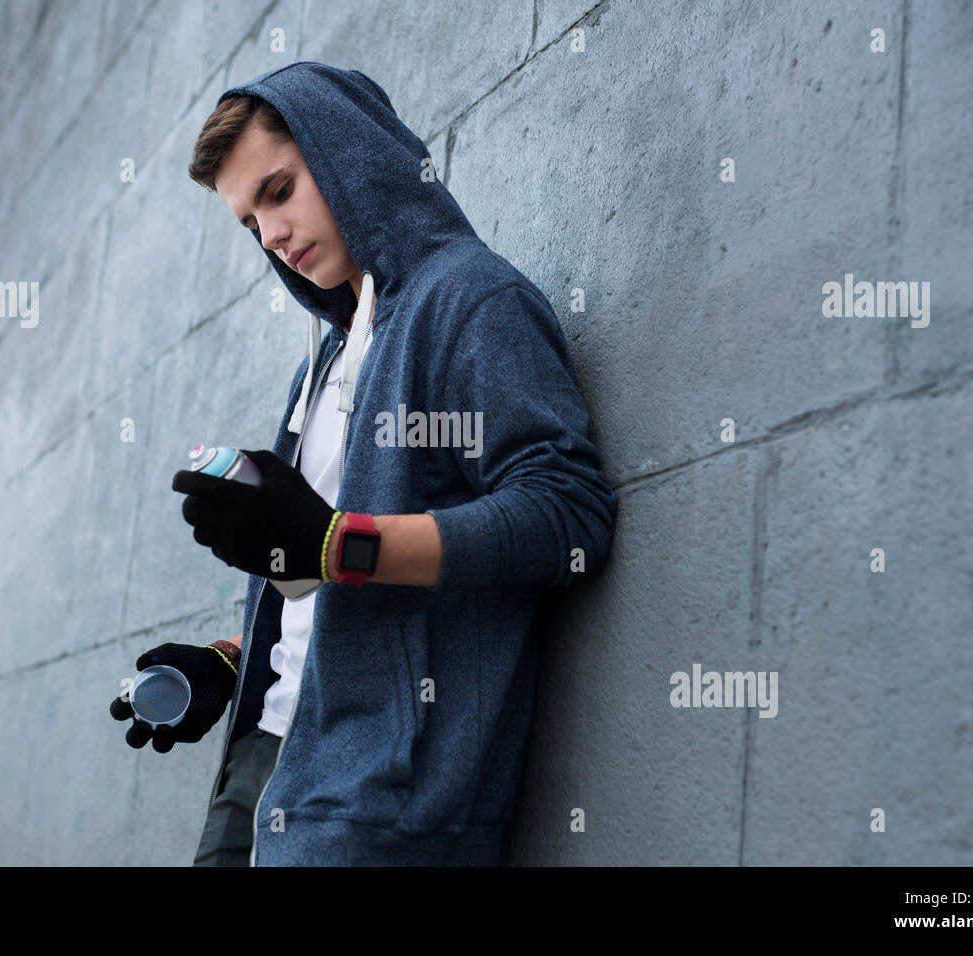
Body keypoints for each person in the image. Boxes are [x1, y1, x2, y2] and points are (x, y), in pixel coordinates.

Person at [110, 61, 617, 866]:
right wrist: (227, 665)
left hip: (379, 800)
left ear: (347, 152)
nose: (271, 234)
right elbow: (318, 585)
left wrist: (337, 543)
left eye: (278, 192)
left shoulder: (470, 299)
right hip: (266, 766)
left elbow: (568, 515)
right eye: (250, 222)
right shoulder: (322, 364)